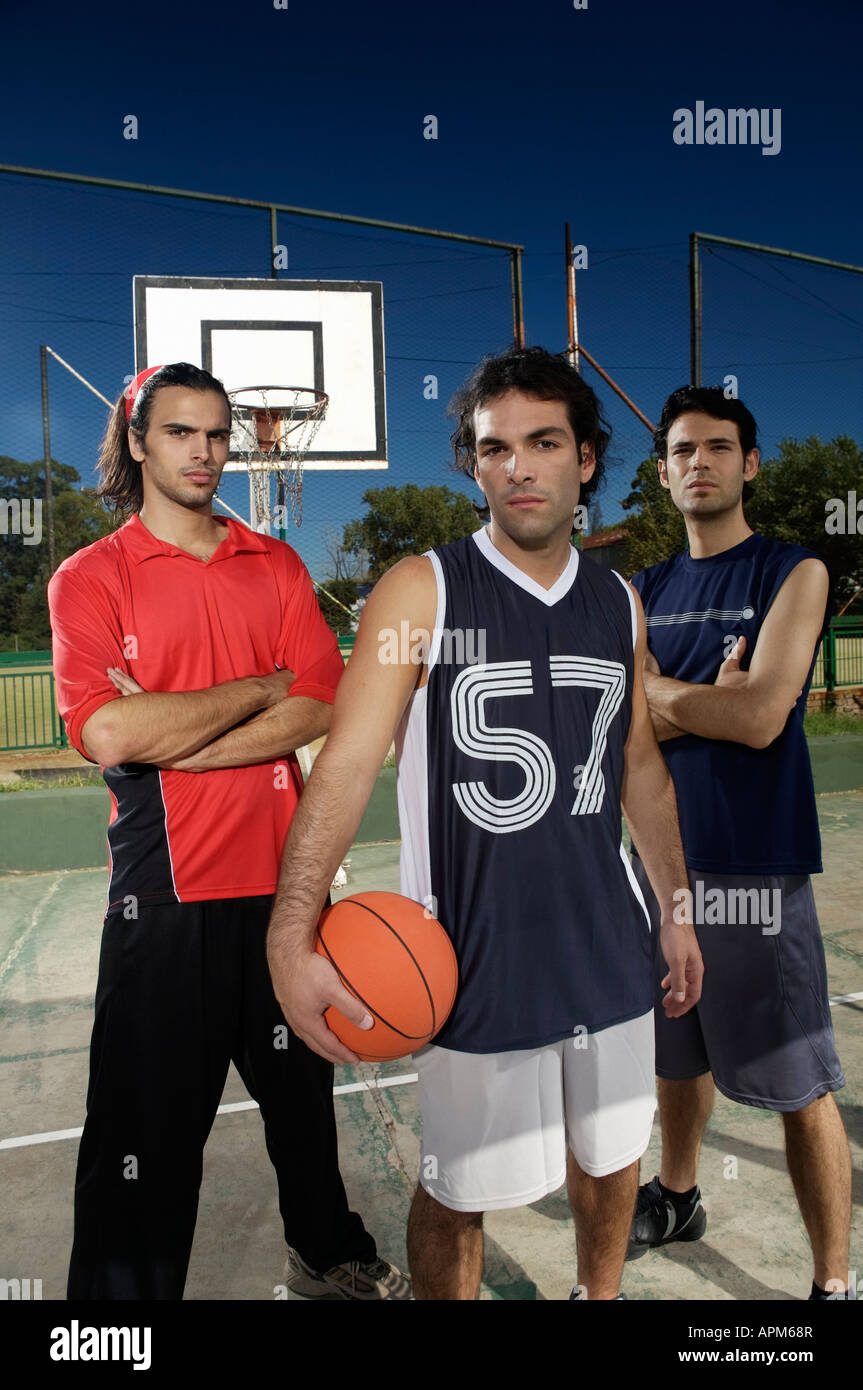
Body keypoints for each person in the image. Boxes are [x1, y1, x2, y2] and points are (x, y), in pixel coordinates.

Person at [265, 346, 703, 1301]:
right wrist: (289, 931)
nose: (517, 467)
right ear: (472, 464)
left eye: (543, 443)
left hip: (605, 949)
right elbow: (344, 765)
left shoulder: (616, 599)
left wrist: (675, 906)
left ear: (585, 458)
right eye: (493, 447)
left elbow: (638, 765)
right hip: (471, 959)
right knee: (456, 1194)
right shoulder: (421, 589)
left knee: (611, 1156)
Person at [48, 361, 409, 1301]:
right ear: (136, 441)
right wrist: (259, 686)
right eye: (180, 432)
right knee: (142, 1141)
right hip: (165, 901)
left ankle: (327, 1255)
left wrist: (192, 739)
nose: (204, 451)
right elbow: (111, 731)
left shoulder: (273, 562)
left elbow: (324, 698)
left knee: (304, 1109)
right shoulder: (92, 577)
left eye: (217, 434)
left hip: (287, 887)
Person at [626, 385, 851, 1300]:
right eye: (681, 451)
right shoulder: (641, 587)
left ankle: (832, 1279)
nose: (699, 464)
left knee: (798, 1080)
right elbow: (616, 724)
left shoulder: (791, 572)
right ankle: (678, 1195)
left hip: (752, 864)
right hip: (655, 862)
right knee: (675, 1055)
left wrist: (667, 697)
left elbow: (761, 717)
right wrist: (703, 701)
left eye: (717, 448)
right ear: (664, 471)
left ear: (748, 464)